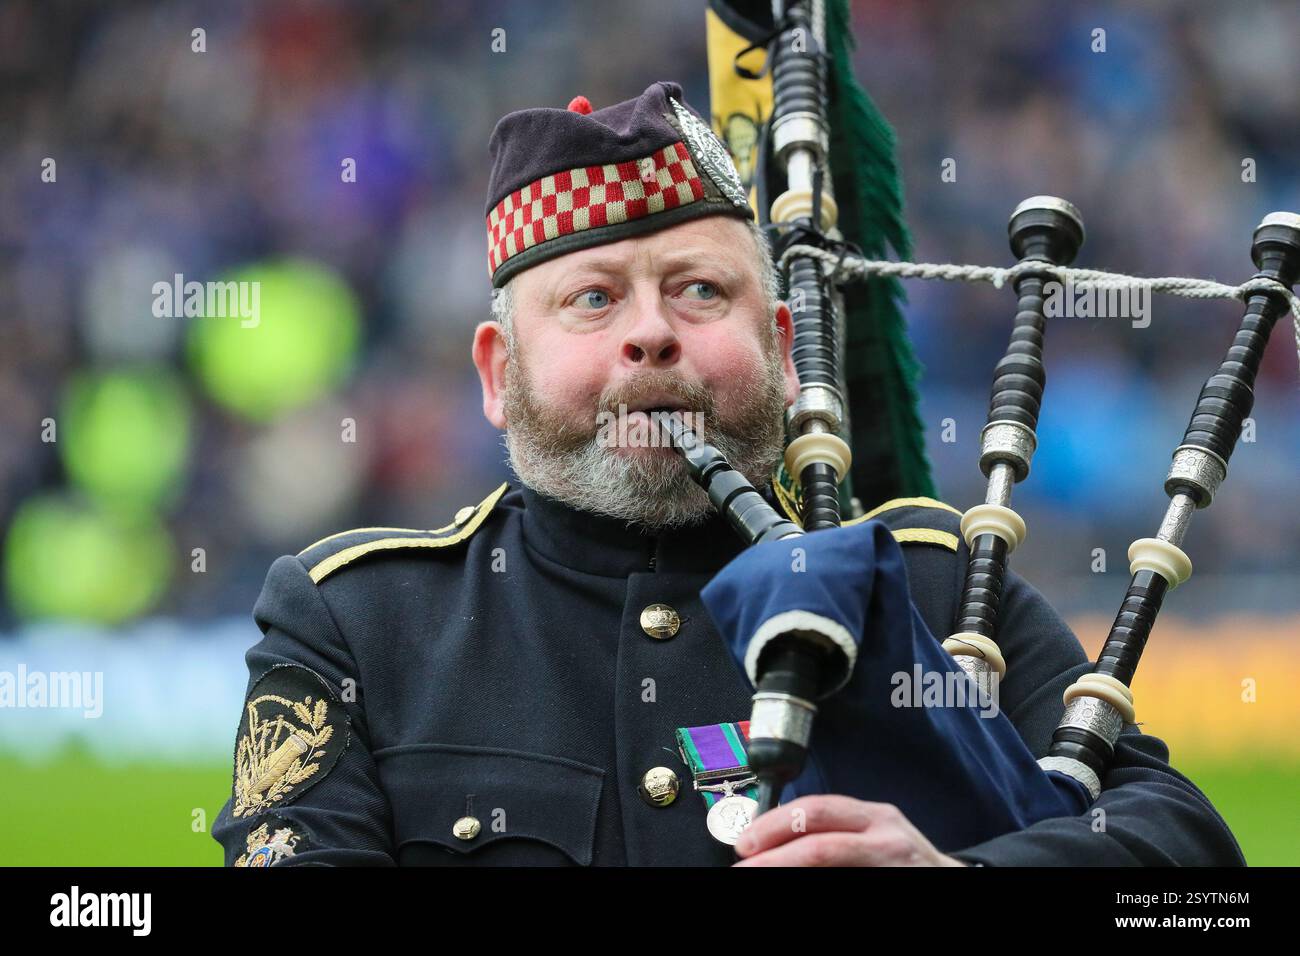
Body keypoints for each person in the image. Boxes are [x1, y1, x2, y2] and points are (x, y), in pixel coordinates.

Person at [211, 80, 1245, 867]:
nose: (651, 334)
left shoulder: (930, 585)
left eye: (700, 290)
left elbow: (1186, 864)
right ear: (497, 372)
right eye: (592, 299)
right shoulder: (359, 623)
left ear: (789, 350)